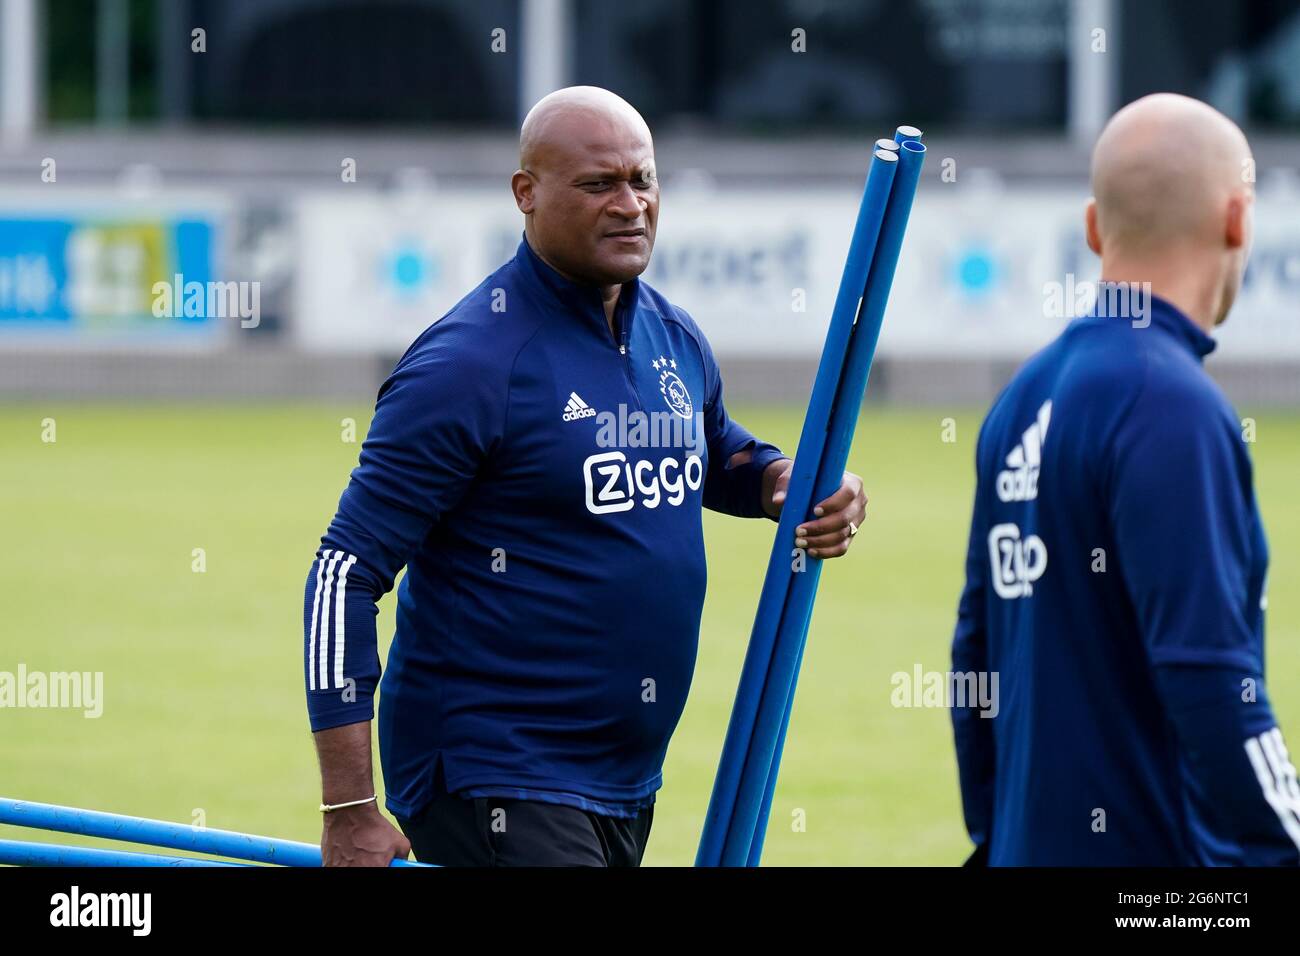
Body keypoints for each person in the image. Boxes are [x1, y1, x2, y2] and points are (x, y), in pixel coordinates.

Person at [304, 86, 868, 866]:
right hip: (495, 774)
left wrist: (781, 479)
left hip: (622, 779)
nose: (630, 204)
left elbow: (715, 454)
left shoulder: (670, 333)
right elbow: (343, 574)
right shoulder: (467, 365)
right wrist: (348, 809)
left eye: (643, 180)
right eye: (600, 184)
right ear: (525, 195)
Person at [951, 93, 1300, 866]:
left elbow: (975, 661)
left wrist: (998, 833)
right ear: (1239, 219)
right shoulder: (1171, 404)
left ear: (1093, 227)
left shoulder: (1022, 398)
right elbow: (1210, 673)